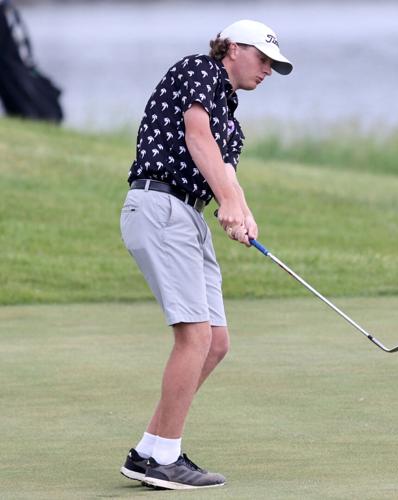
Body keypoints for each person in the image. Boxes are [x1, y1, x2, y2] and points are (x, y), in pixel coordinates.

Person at [118, 19, 292, 490]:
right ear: (232, 49)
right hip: (159, 204)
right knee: (194, 335)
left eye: (274, 65)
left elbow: (224, 173)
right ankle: (164, 458)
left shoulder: (232, 124)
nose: (268, 71)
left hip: (188, 217)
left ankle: (150, 450)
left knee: (215, 341)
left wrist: (242, 211)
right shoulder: (200, 70)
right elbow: (197, 135)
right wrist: (229, 201)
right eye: (263, 59)